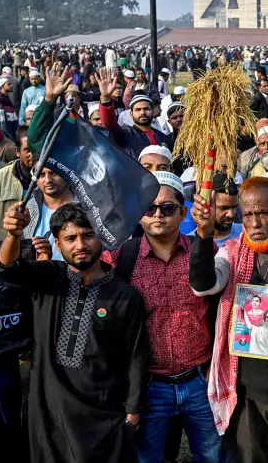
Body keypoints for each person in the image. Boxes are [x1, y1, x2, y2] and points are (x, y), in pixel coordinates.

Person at [0, 202, 147, 463]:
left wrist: (133, 411)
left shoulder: (125, 295)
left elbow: (136, 356)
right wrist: (13, 234)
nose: (80, 245)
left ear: (100, 238)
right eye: (70, 238)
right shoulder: (47, 278)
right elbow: (8, 269)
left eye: (88, 235)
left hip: (103, 415)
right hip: (49, 413)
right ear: (57, 243)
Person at [102, 171, 223, 463]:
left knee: (212, 457)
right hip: (148, 387)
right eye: (150, 208)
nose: (158, 215)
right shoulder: (120, 259)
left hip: (199, 382)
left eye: (167, 208)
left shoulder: (205, 251)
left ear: (183, 212)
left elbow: (222, 308)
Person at [190, 177, 268, 463]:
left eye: (264, 213)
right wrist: (203, 237)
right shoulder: (231, 253)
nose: (255, 223)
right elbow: (203, 285)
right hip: (248, 392)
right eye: (248, 214)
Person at [100, 70, 173, 159]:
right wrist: (105, 99)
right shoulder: (126, 134)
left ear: (152, 111)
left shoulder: (163, 138)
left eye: (146, 109)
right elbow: (110, 126)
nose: (142, 112)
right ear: (131, 114)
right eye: (138, 110)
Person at [0, 127, 35, 240]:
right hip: (6, 244)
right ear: (17, 152)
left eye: (36, 149)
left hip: (39, 245)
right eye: (28, 150)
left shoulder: (51, 178)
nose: (33, 154)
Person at [190, 172, 242, 247]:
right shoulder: (190, 243)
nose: (231, 214)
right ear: (207, 205)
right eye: (223, 208)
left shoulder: (245, 234)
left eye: (234, 207)